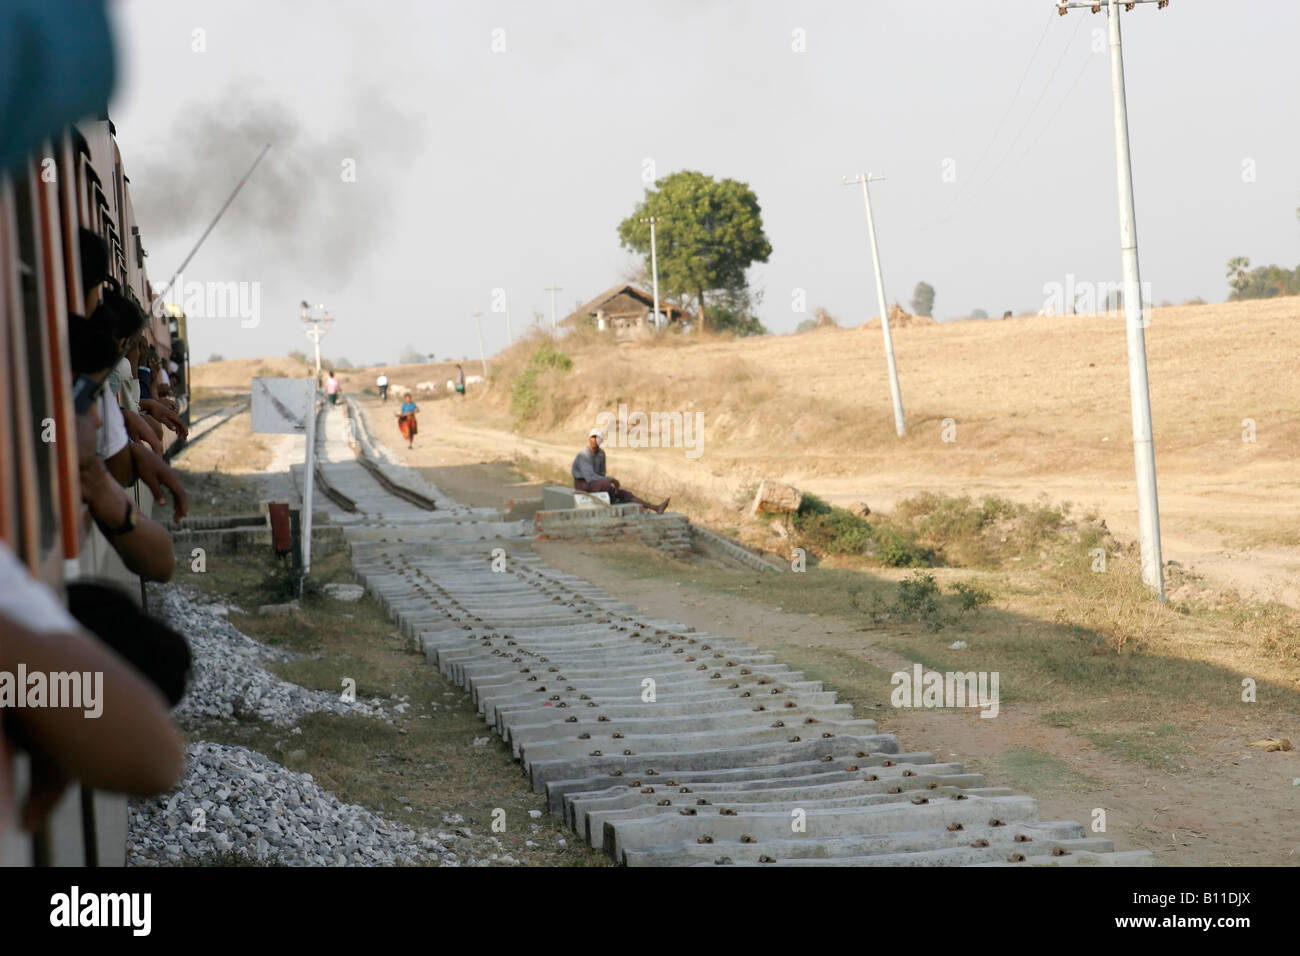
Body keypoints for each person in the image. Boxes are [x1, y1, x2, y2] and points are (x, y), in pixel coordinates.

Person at [572, 428, 669, 513]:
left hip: (596, 483)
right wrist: (609, 480)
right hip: (584, 484)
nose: (594, 440)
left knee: (623, 492)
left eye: (597, 438)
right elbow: (590, 477)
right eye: (593, 437)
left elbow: (601, 474)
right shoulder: (584, 454)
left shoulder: (601, 454)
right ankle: (614, 499)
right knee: (608, 485)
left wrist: (610, 481)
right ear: (589, 439)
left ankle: (655, 508)